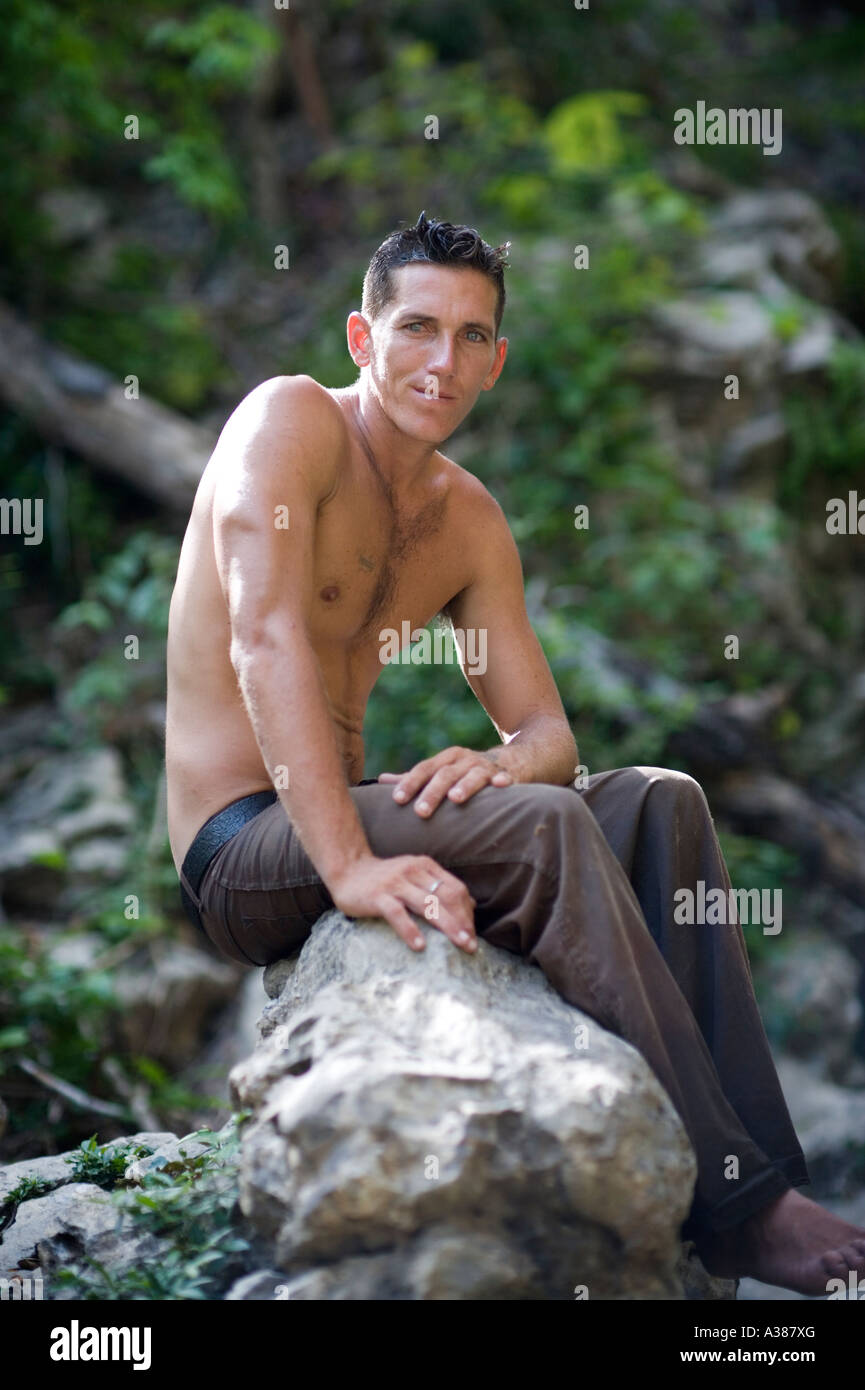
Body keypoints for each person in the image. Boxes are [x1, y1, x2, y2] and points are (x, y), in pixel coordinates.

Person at [165, 211, 865, 1298]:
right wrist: (352, 865)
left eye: (471, 337)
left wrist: (501, 765)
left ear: (496, 359)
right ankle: (743, 1209)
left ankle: (758, 1175)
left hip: (344, 804)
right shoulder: (287, 423)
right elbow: (266, 641)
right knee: (545, 826)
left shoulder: (465, 520)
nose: (441, 363)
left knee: (659, 801)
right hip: (242, 843)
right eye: (417, 329)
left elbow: (546, 735)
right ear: (362, 338)